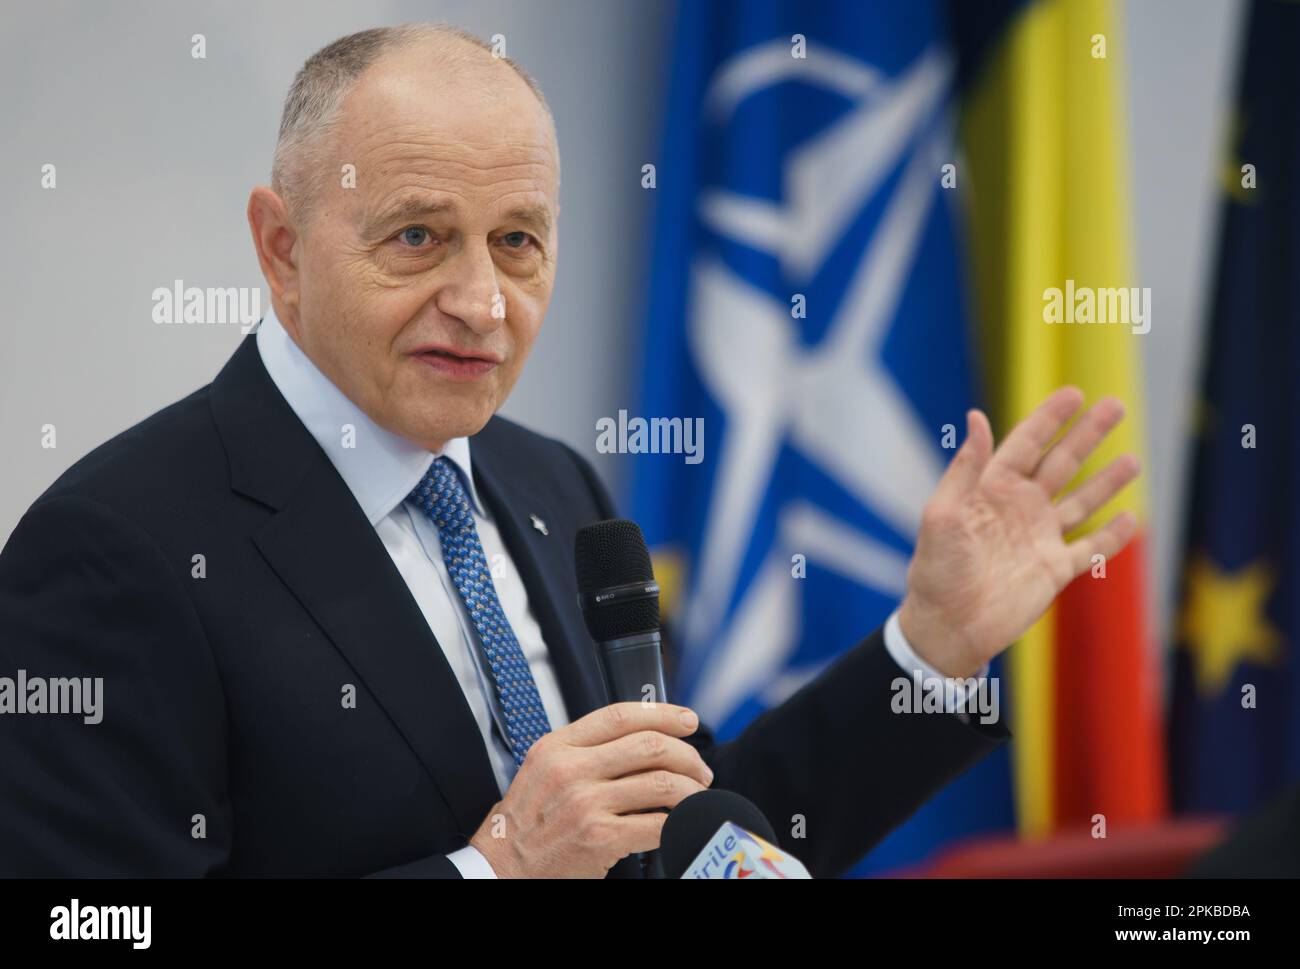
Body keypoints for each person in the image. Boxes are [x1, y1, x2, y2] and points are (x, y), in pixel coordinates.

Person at [0, 24, 1140, 878]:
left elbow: (684, 833)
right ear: (282, 246)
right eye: (418, 237)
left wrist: (928, 652)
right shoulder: (113, 551)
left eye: (517, 242)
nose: (482, 302)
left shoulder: (550, 486)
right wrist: (490, 872)